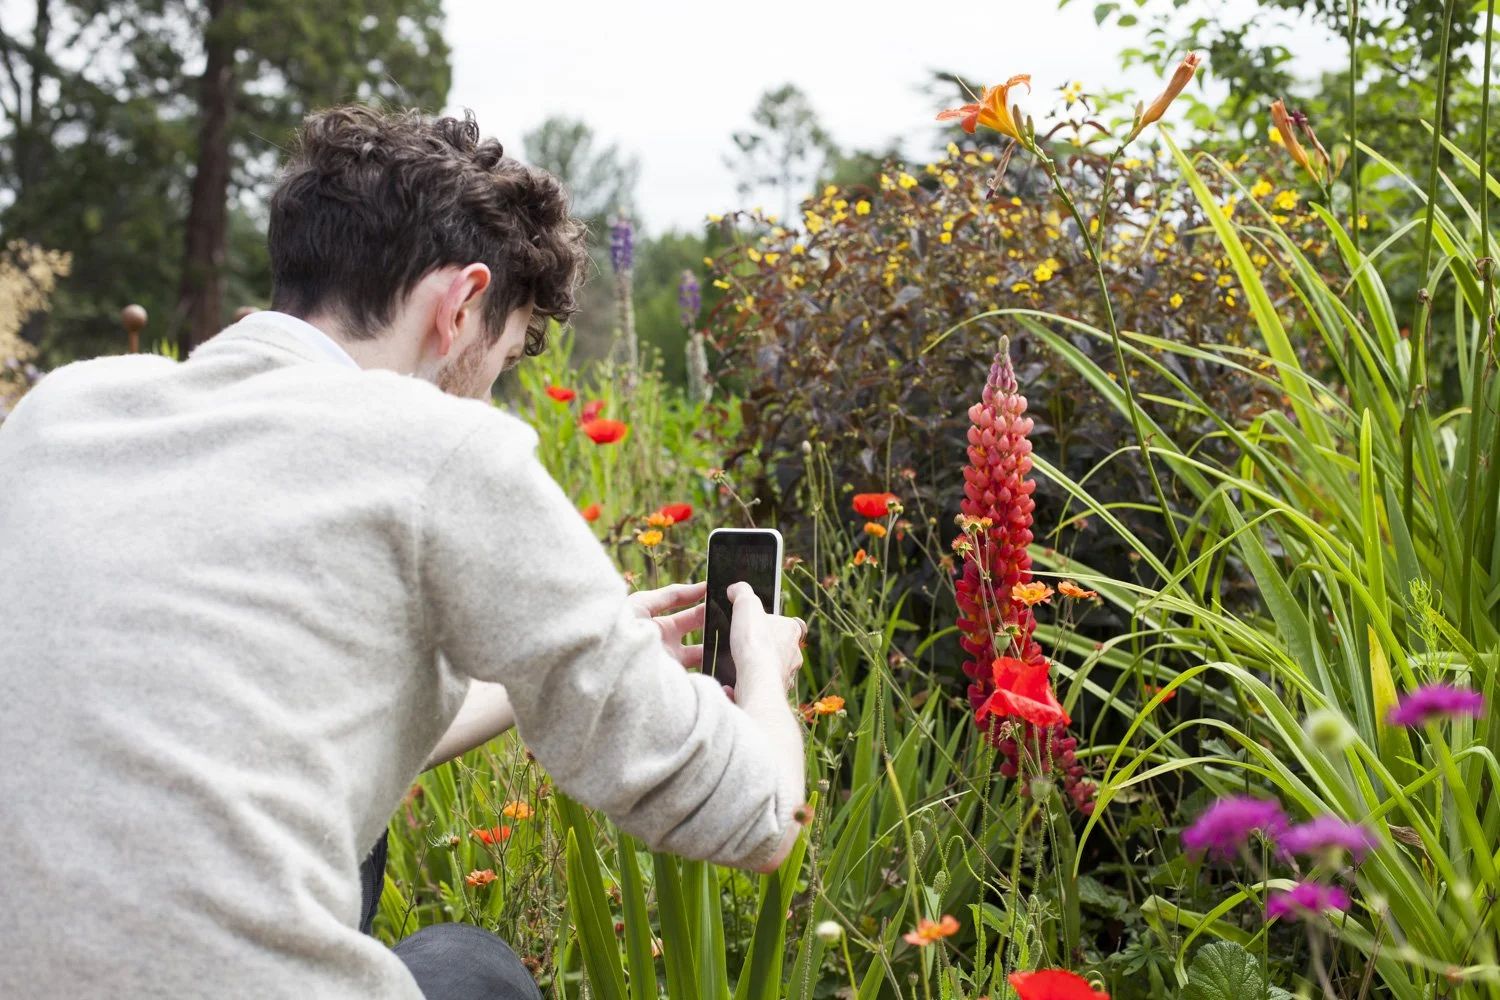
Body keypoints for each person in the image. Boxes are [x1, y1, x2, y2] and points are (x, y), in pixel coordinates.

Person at [0, 105, 808, 999]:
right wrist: (761, 668)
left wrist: (563, 664)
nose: (490, 398)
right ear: (460, 306)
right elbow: (758, 815)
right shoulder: (438, 447)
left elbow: (242, 719)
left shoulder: (61, 413)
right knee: (476, 969)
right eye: (501, 359)